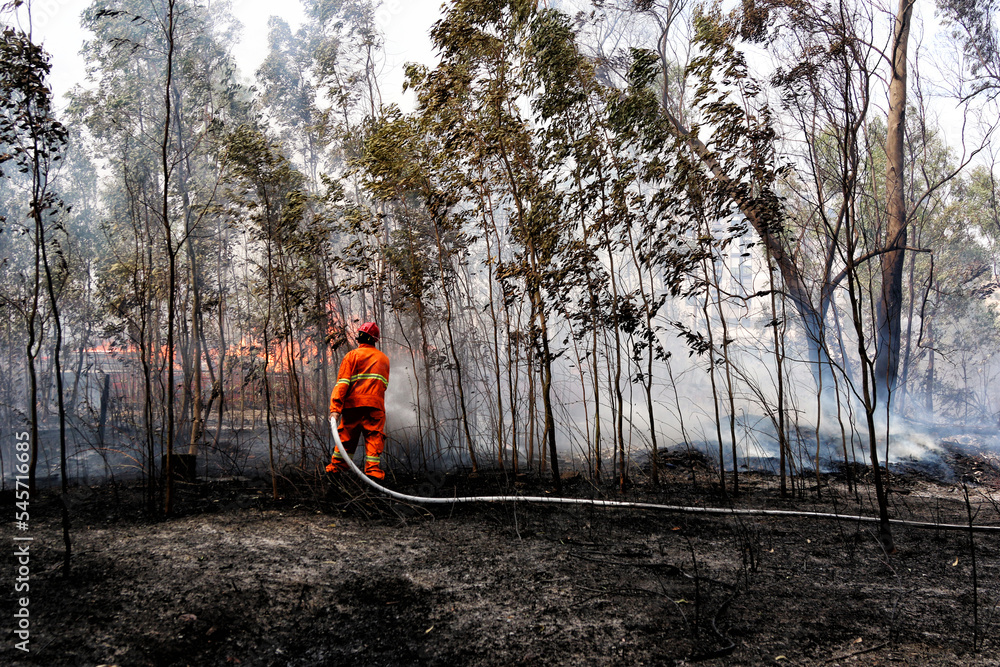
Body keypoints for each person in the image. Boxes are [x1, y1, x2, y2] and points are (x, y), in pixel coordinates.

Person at [326, 321, 390, 480]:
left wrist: (335, 409)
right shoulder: (384, 359)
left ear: (359, 338)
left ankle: (335, 476)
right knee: (374, 440)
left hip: (352, 407)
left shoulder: (352, 356)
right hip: (375, 408)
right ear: (374, 339)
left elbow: (342, 385)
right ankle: (374, 477)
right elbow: (384, 386)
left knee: (345, 440)